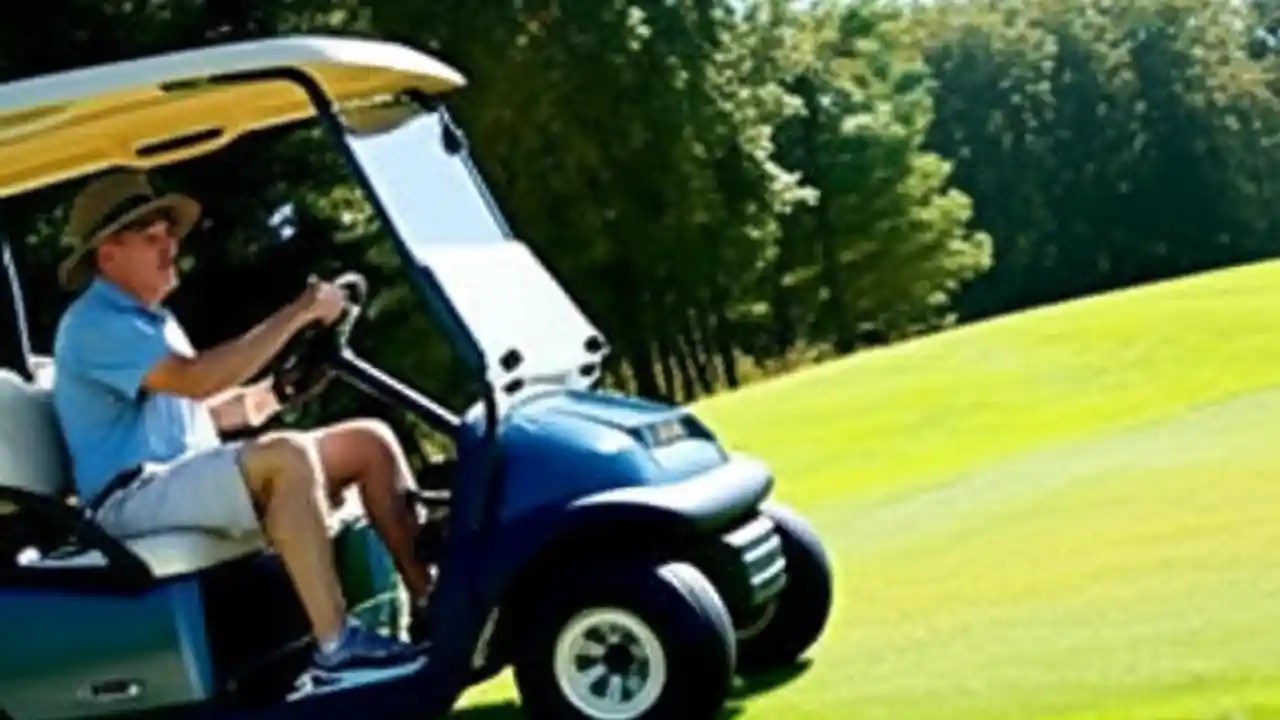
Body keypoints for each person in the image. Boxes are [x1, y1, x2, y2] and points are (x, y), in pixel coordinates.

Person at [50, 170, 433, 687]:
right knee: (287, 457)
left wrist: (278, 393)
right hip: (129, 499)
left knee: (368, 441)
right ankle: (337, 648)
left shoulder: (153, 321)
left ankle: (430, 604)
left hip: (175, 479)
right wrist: (299, 312)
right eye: (151, 240)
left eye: (170, 236)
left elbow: (198, 414)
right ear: (108, 254)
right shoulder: (93, 324)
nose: (171, 249)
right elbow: (198, 381)